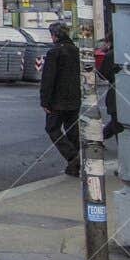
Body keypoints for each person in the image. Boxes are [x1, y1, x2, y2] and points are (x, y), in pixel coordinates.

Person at [41, 21, 83, 176]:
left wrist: (44, 101)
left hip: (57, 100)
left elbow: (48, 78)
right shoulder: (77, 50)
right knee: (72, 130)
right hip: (74, 97)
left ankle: (73, 157)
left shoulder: (54, 52)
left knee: (52, 128)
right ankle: (75, 165)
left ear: (55, 35)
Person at [97, 36, 123, 140]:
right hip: (124, 91)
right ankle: (101, 136)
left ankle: (100, 137)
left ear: (109, 43)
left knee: (116, 123)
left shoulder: (111, 54)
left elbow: (103, 74)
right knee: (116, 123)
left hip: (115, 93)